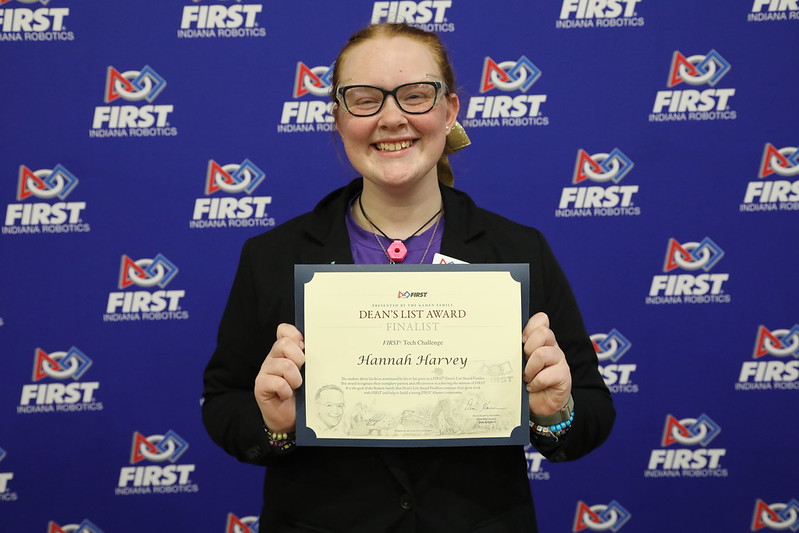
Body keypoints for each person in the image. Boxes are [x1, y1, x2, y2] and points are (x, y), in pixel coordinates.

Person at [202, 22, 615, 532]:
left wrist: (554, 413)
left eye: (416, 95)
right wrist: (274, 424)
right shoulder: (271, 257)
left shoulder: (519, 251)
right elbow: (223, 404)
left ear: (450, 110)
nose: (392, 118)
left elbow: (591, 413)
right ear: (338, 117)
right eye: (365, 99)